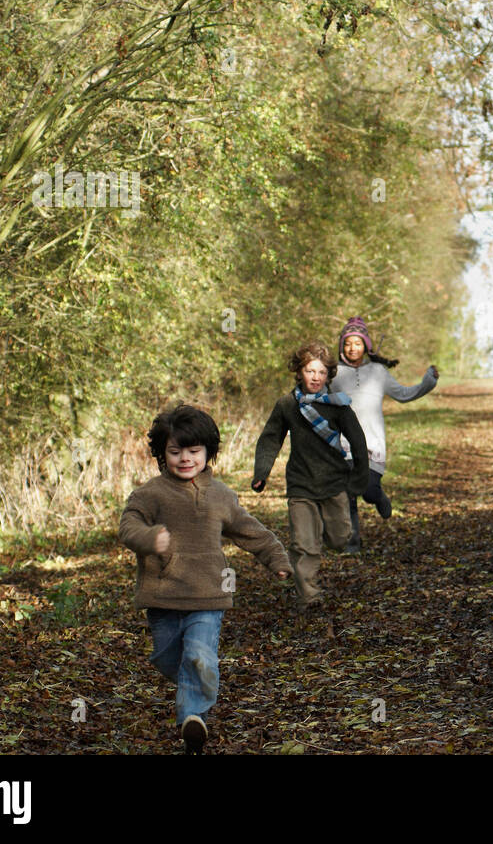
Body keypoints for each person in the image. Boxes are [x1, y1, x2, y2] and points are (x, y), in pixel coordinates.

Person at [119, 404, 293, 754]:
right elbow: (128, 526)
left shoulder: (222, 496)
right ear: (161, 453)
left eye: (194, 451)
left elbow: (250, 531)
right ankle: (194, 694)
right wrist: (149, 538)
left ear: (208, 453)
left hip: (208, 596)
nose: (185, 458)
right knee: (172, 659)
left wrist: (276, 557)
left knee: (199, 655)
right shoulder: (149, 494)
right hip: (162, 596)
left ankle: (191, 719)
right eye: (175, 451)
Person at [252, 341, 369, 608]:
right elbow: (271, 439)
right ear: (299, 373)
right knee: (304, 545)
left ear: (328, 375)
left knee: (340, 538)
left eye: (321, 372)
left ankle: (324, 536)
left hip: (334, 482)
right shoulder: (287, 405)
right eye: (309, 371)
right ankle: (309, 597)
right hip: (301, 485)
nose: (315, 378)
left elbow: (358, 441)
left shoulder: (338, 405)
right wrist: (262, 472)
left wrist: (359, 479)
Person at [329, 317, 438, 553]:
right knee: (347, 494)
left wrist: (428, 382)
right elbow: (320, 401)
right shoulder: (334, 374)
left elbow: (404, 394)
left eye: (357, 343)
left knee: (367, 490)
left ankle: (379, 498)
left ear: (366, 346)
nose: (352, 348)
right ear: (341, 346)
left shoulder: (378, 372)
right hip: (343, 445)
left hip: (373, 445)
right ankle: (352, 543)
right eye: (348, 343)